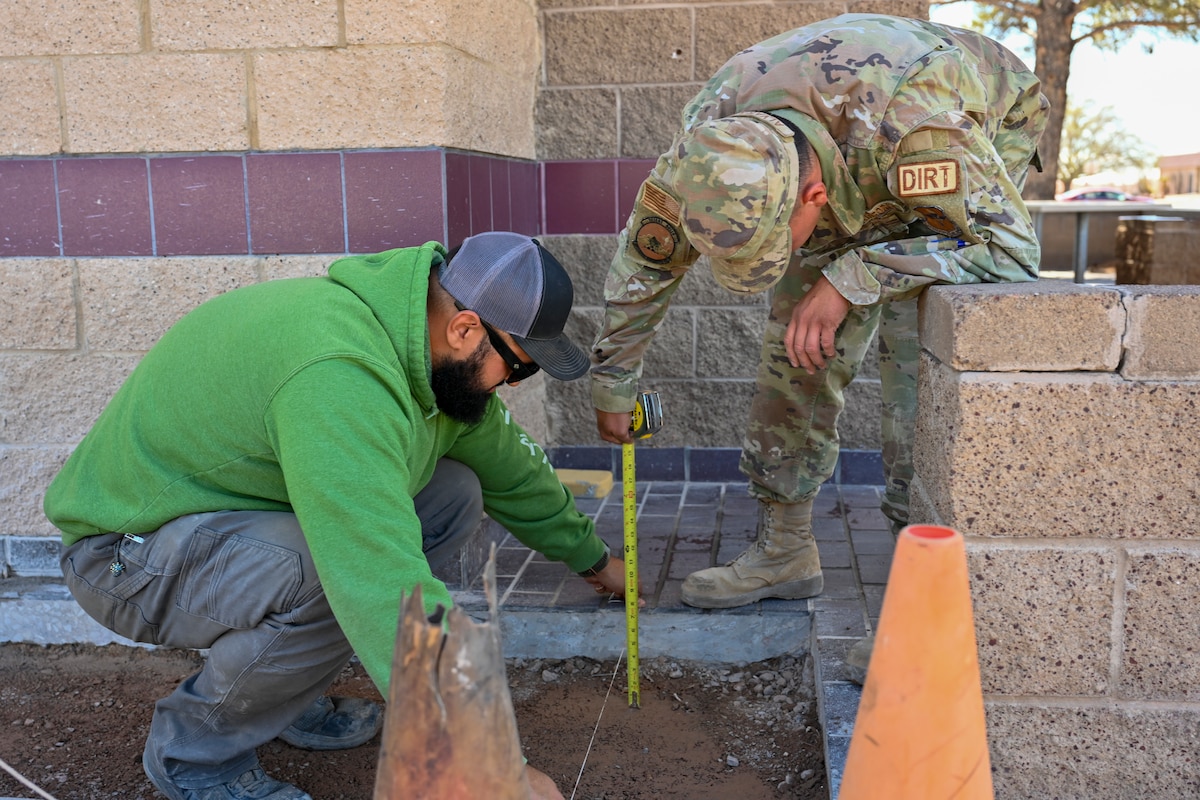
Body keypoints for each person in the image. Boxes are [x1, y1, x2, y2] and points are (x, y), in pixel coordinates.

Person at [44, 232, 631, 800]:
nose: (512, 384)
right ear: (464, 328)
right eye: (518, 367)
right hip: (123, 556)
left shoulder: (421, 349)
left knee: (451, 495)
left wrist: (594, 560)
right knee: (331, 571)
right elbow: (380, 580)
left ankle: (284, 693)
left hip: (221, 524)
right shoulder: (338, 375)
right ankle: (194, 754)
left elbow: (511, 468)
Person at [591, 13, 1048, 628]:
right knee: (796, 339)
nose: (772, 265)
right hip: (845, 152)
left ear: (812, 201)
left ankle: (918, 594)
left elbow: (1011, 252)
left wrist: (853, 276)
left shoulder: (921, 127)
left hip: (960, 111)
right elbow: (646, 261)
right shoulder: (712, 142)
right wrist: (614, 380)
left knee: (918, 350)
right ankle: (785, 550)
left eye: (773, 248)